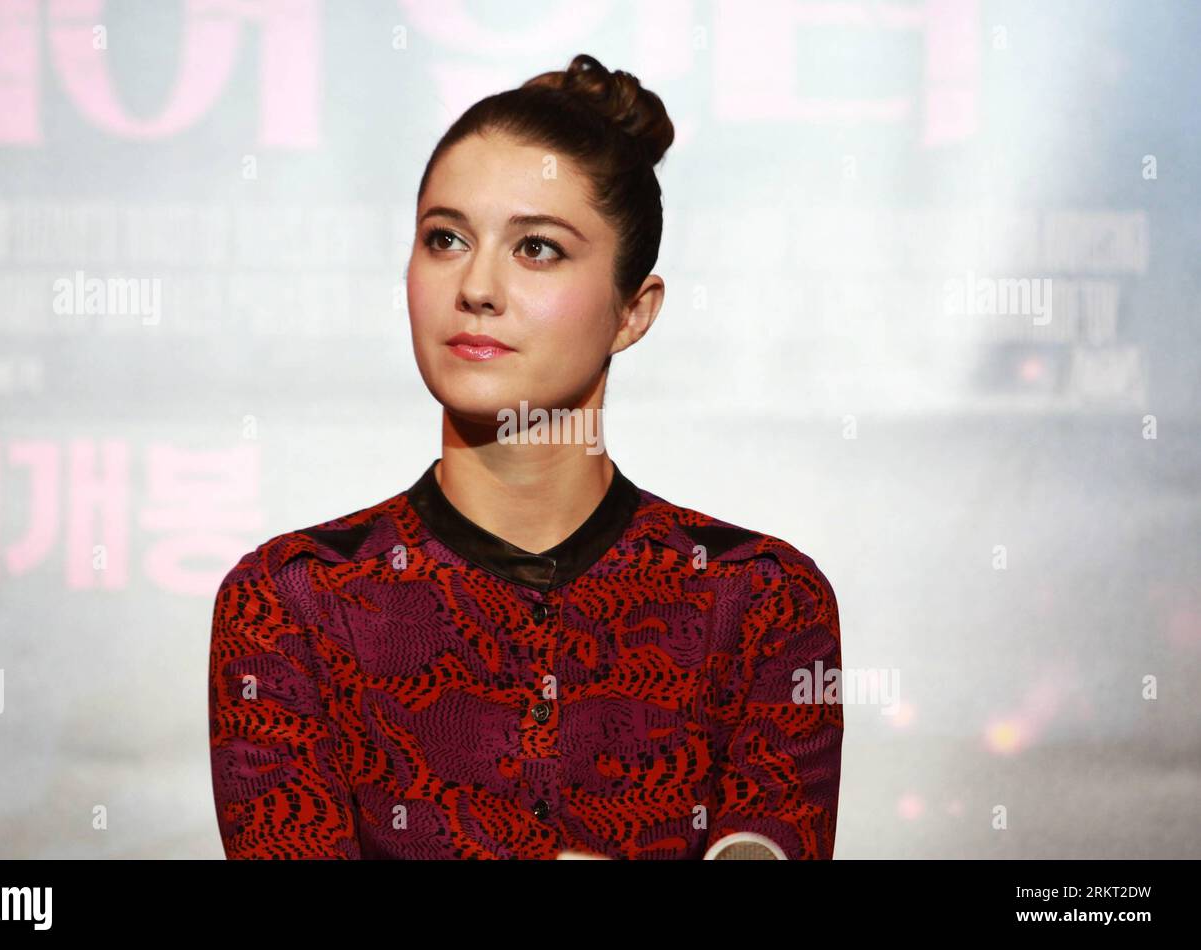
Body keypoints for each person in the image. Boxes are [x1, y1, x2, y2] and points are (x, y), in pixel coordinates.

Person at [208, 53, 843, 860]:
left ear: (633, 310)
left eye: (536, 249)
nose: (477, 286)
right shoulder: (292, 603)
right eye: (446, 239)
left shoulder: (759, 602)